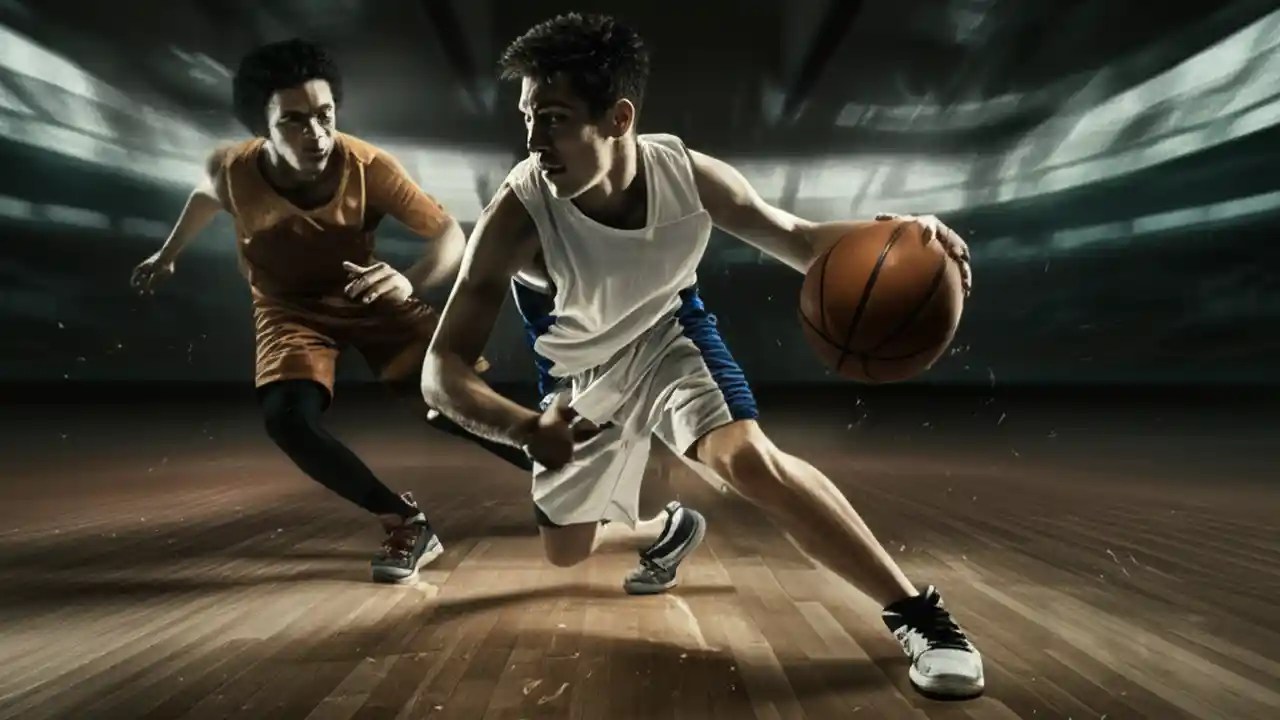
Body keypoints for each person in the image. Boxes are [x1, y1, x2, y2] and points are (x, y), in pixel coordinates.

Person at [420, 13, 984, 699]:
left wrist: (906, 232)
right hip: (577, 379)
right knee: (567, 552)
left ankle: (921, 617)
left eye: (555, 119)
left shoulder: (688, 177)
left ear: (619, 117)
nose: (535, 141)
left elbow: (803, 241)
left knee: (748, 460)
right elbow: (440, 369)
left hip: (669, 339)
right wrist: (523, 428)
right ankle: (666, 526)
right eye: (528, 119)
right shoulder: (519, 215)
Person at [129, 38, 527, 585]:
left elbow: (448, 236)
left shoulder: (368, 165)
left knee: (452, 405)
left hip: (367, 296)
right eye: (293, 121)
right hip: (288, 308)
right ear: (262, 129)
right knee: (286, 419)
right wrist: (167, 254)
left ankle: (578, 481)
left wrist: (404, 280)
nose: (315, 134)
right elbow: (205, 196)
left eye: (324, 116)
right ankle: (402, 519)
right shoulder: (233, 167)